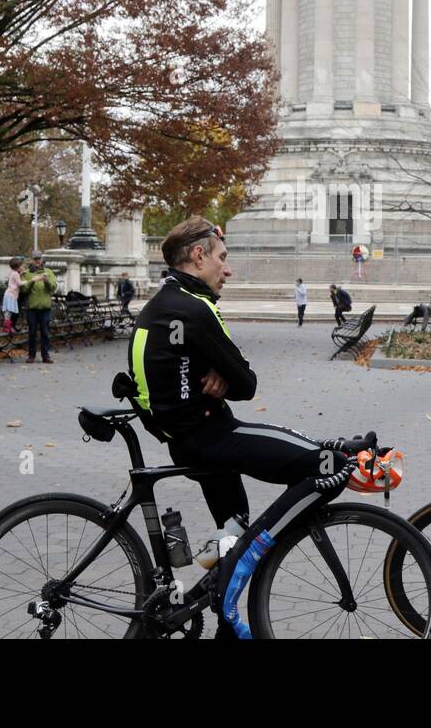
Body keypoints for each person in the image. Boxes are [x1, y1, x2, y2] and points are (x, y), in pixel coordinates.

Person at [129, 217, 361, 638]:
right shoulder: (195, 309)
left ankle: (221, 611)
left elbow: (223, 376)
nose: (228, 269)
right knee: (331, 465)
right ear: (198, 256)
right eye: (222, 258)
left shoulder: (163, 300)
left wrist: (221, 374)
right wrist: (224, 376)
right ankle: (256, 553)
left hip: (187, 440)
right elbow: (247, 384)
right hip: (211, 439)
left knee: (234, 525)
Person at [21, 252, 58, 364]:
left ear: (42, 260)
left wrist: (45, 281)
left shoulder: (48, 272)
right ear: (31, 260)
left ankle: (45, 355)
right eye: (35, 259)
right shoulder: (26, 273)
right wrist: (32, 281)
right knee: (32, 332)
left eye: (39, 259)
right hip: (32, 308)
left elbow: (53, 287)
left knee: (45, 332)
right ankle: (31, 355)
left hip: (45, 308)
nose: (37, 261)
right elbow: (23, 290)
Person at [1, 257, 23, 333]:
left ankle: (8, 327)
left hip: (8, 294)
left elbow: (16, 279)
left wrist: (21, 273)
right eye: (20, 265)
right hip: (11, 295)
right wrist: (29, 281)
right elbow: (19, 283)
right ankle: (7, 328)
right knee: (9, 312)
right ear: (18, 266)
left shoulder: (13, 272)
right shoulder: (15, 273)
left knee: (8, 312)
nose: (22, 267)